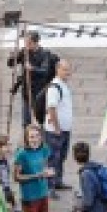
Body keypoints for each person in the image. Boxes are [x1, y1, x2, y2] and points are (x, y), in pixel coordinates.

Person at [15, 124, 56, 212]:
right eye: (31, 137)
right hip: (29, 197)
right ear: (26, 138)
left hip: (42, 194)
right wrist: (37, 175)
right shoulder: (22, 154)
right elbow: (17, 177)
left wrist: (47, 172)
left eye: (37, 136)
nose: (35, 139)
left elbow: (44, 165)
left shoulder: (44, 149)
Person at [7, 30, 59, 127]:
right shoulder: (24, 52)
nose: (26, 45)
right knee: (26, 121)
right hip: (27, 91)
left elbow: (44, 71)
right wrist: (12, 57)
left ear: (35, 43)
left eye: (29, 43)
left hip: (40, 91)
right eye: (25, 42)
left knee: (40, 120)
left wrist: (32, 68)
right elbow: (11, 64)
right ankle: (27, 139)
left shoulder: (44, 54)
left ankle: (41, 139)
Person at [44, 60, 75, 193]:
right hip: (55, 131)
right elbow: (51, 108)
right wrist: (57, 128)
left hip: (65, 129)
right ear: (57, 70)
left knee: (61, 157)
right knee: (53, 158)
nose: (67, 72)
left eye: (68, 70)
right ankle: (50, 186)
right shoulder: (54, 87)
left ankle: (58, 181)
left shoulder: (64, 85)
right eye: (64, 69)